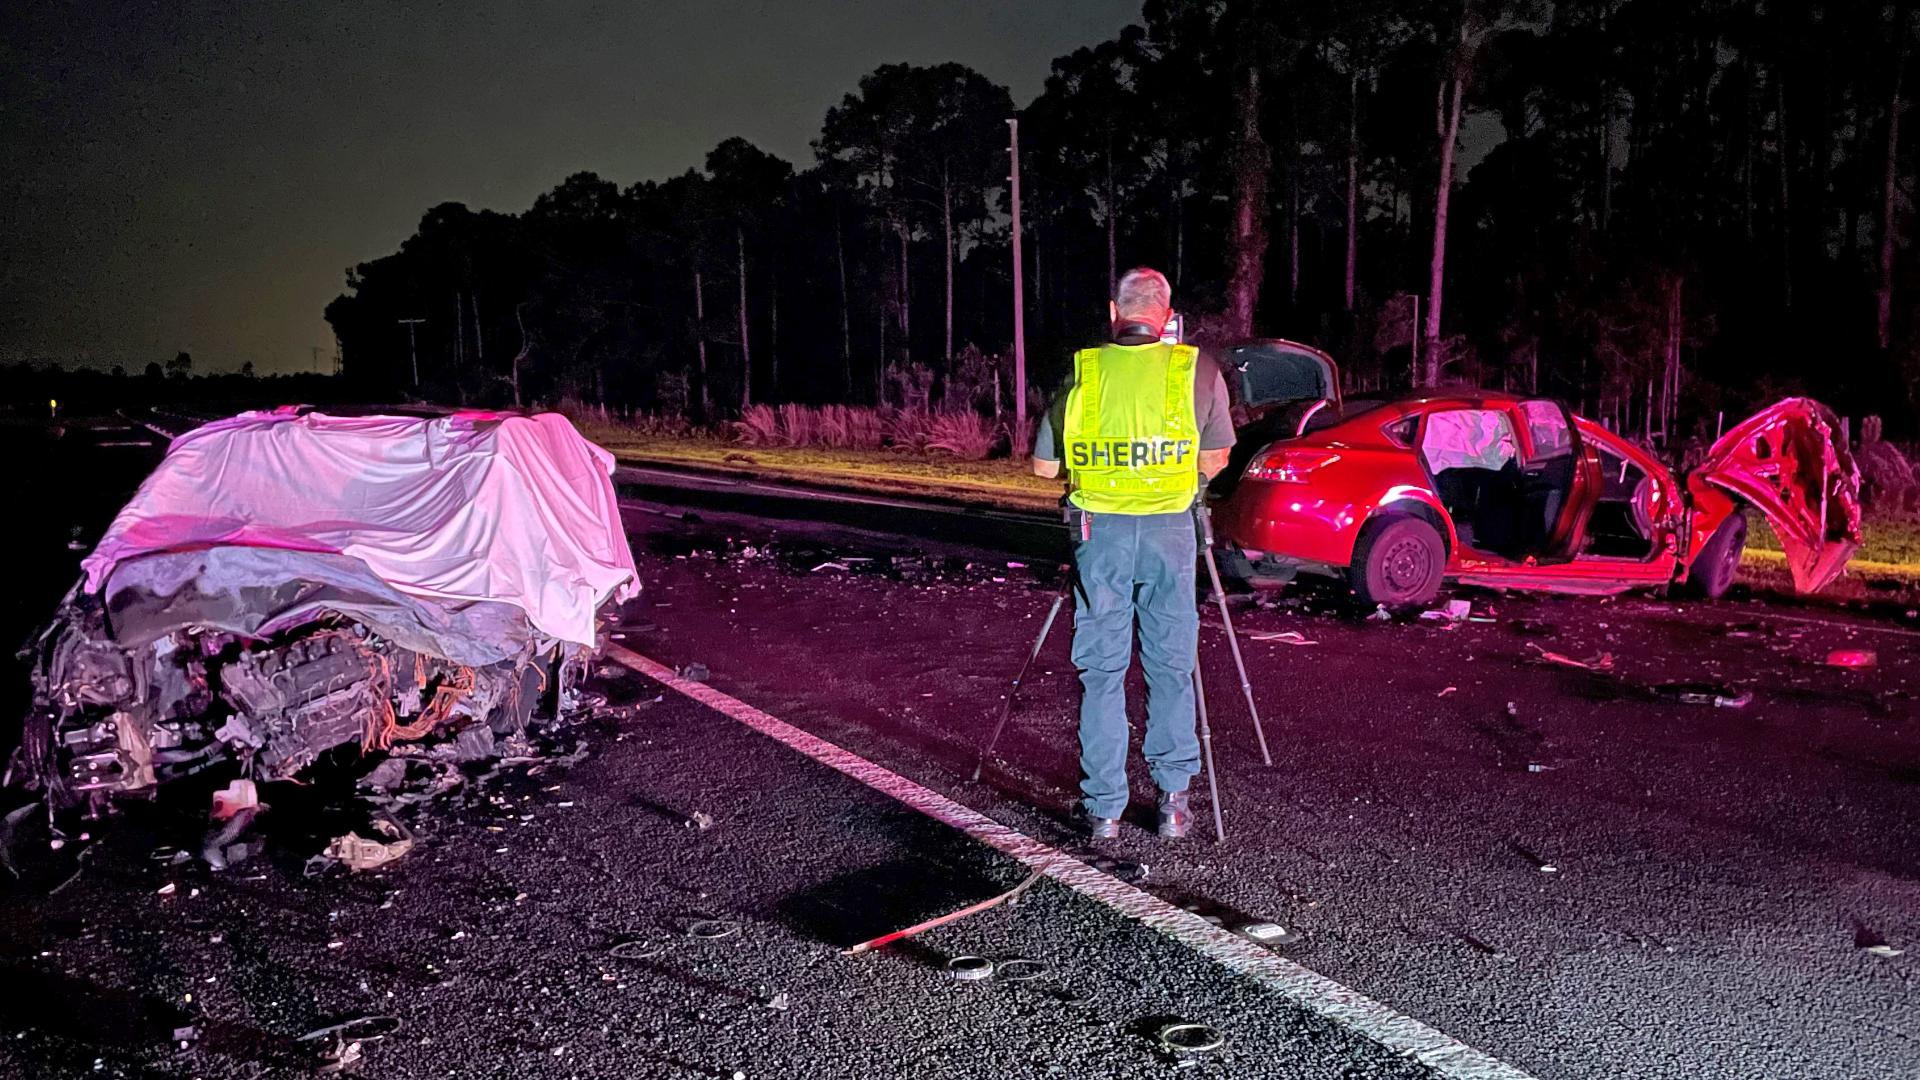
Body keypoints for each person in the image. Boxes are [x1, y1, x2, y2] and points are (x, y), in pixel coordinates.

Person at [1031, 267, 1234, 839]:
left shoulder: (1082, 371)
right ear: (1167, 318)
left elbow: (1045, 467)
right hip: (1171, 531)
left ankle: (1103, 810)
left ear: (1114, 312)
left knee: (1102, 671)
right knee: (1170, 665)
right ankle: (1172, 803)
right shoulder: (1195, 370)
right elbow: (1216, 458)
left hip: (1101, 536)